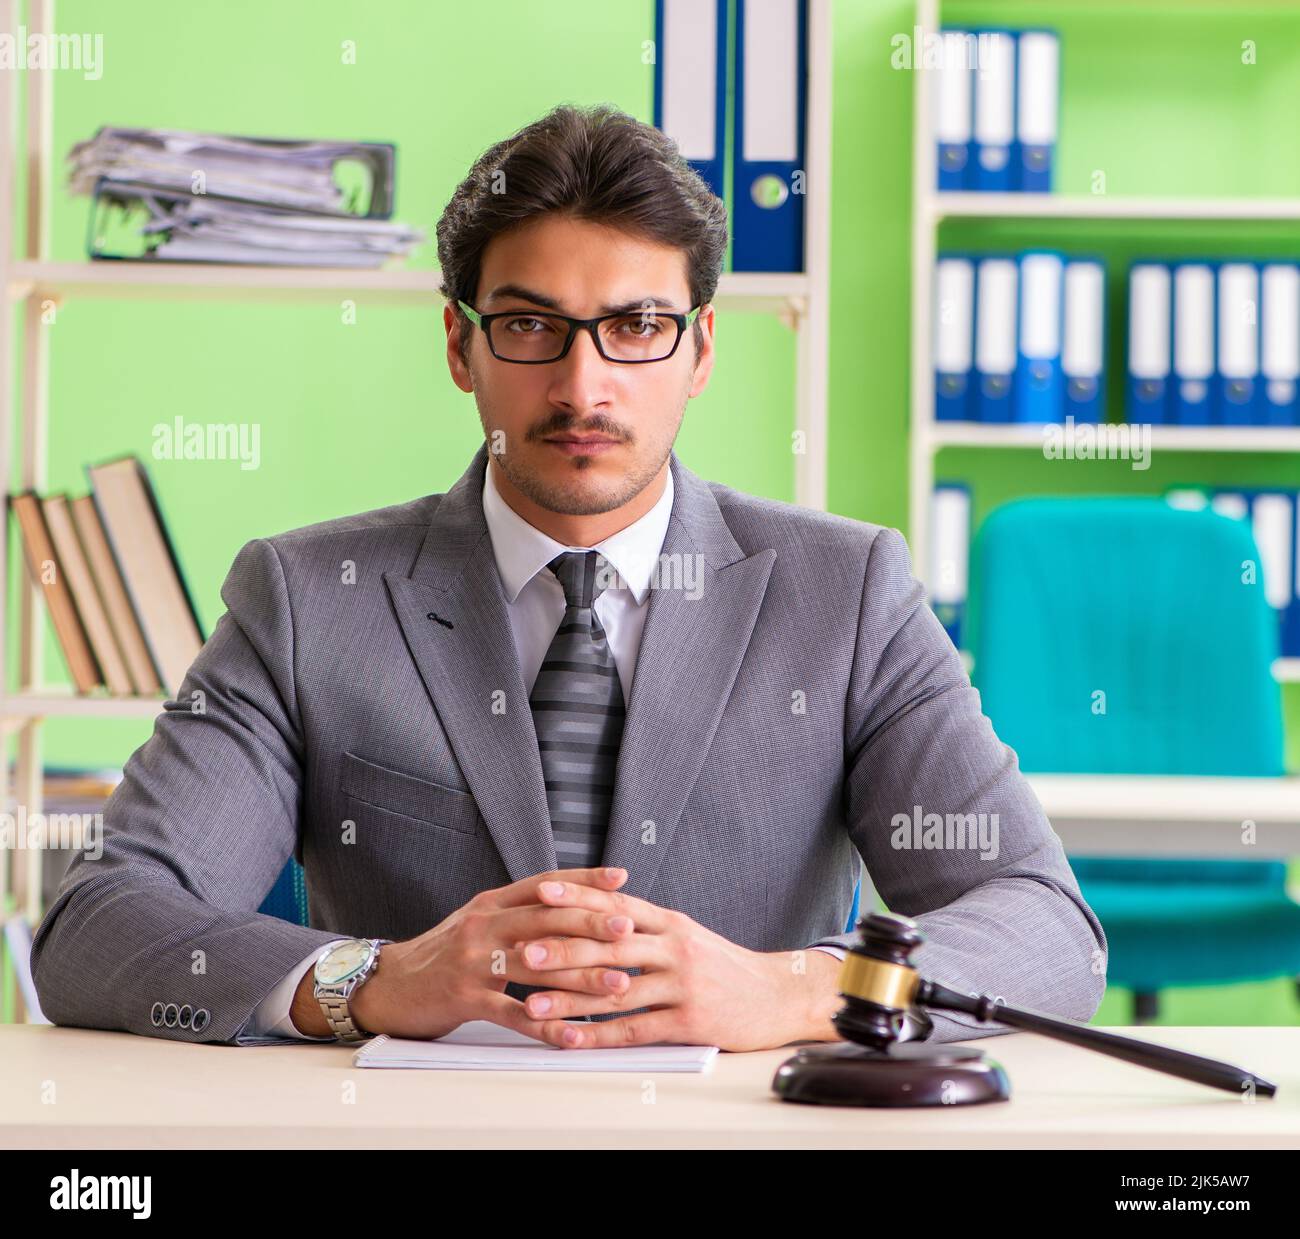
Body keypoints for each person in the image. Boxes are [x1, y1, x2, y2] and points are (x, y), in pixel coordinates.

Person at [31, 104, 1105, 1051]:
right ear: (461, 346)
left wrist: (793, 989)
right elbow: (96, 926)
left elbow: (1041, 924)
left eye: (635, 327)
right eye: (531, 326)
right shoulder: (312, 599)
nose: (581, 385)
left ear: (699, 351)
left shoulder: (847, 593)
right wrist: (372, 979)